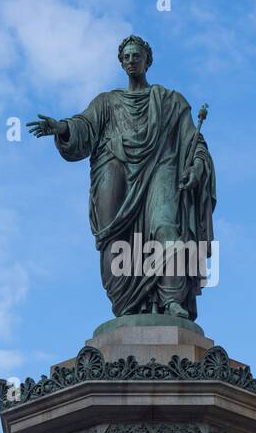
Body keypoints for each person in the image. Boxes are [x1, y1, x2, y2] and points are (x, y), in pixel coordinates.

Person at [27, 35, 215, 319]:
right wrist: (62, 127)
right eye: (126, 57)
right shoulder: (107, 102)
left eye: (136, 55)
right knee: (114, 242)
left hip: (160, 168)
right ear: (121, 62)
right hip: (114, 169)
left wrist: (196, 167)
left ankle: (172, 299)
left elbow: (194, 143)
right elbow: (85, 126)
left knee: (167, 230)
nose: (131, 61)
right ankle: (127, 305)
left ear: (147, 60)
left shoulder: (171, 101)